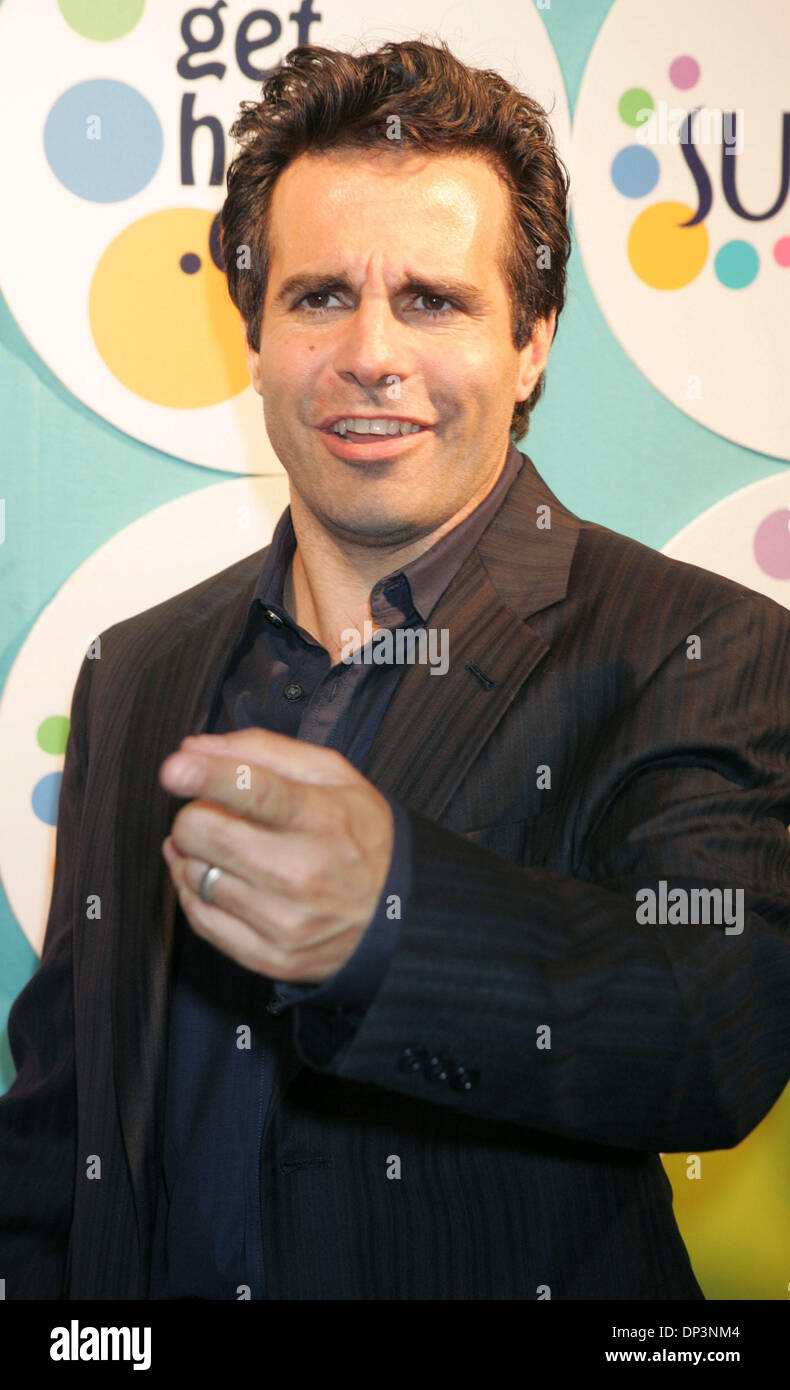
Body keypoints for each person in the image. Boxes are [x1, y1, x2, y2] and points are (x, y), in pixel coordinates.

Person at [1, 38, 789, 1302]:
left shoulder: (697, 643)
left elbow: (710, 1027)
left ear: (531, 341)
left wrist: (388, 921)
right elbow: (65, 1119)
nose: (371, 352)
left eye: (432, 299)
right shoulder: (134, 666)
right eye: (319, 296)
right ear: (253, 332)